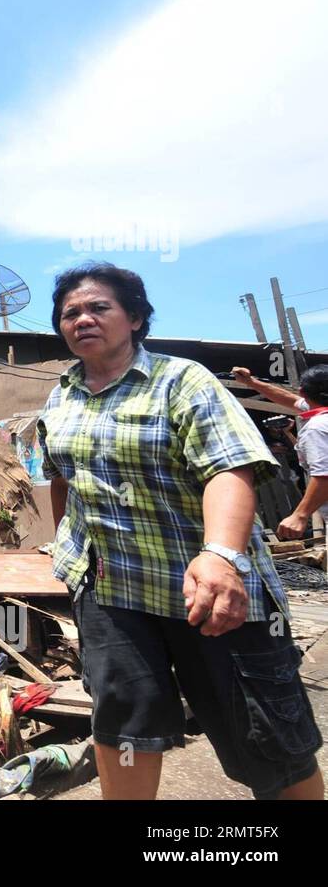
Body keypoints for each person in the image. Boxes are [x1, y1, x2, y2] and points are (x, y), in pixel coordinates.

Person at [37, 263, 323, 800]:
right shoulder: (61, 397)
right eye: (70, 312)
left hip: (208, 592)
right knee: (123, 722)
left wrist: (220, 556)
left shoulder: (182, 380)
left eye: (99, 307)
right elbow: (62, 479)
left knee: (265, 733)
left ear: (136, 318)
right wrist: (67, 554)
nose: (82, 319)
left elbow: (229, 469)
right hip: (112, 593)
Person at [231, 365, 328, 541]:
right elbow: (290, 400)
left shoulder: (317, 427)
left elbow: (324, 475)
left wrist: (300, 515)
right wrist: (251, 382)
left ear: (303, 391)